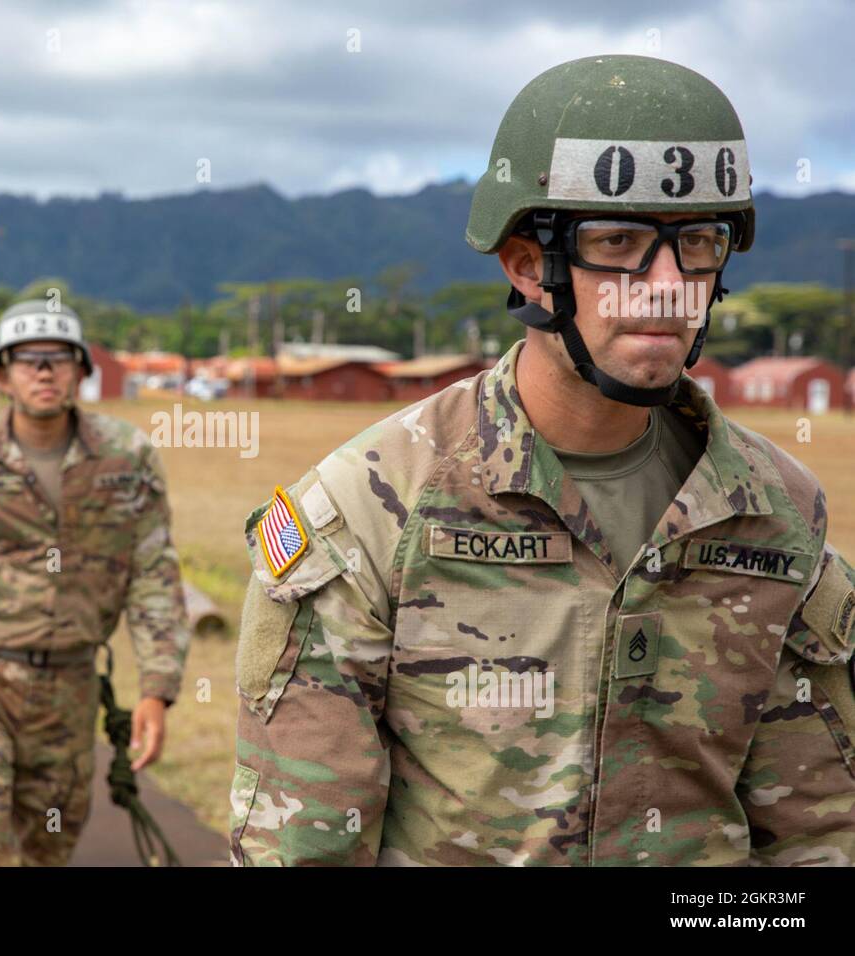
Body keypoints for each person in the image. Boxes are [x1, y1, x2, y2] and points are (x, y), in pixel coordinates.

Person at [229, 55, 855, 866]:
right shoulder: (371, 507)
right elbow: (304, 848)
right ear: (528, 265)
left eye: (697, 244)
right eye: (619, 243)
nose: (665, 286)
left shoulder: (779, 510)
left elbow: (816, 829)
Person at [0, 298, 190, 865]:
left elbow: (153, 574)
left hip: (70, 691)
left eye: (59, 358)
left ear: (82, 371)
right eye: (27, 360)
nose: (44, 371)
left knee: (47, 847)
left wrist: (157, 687)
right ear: (0, 375)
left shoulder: (128, 459)